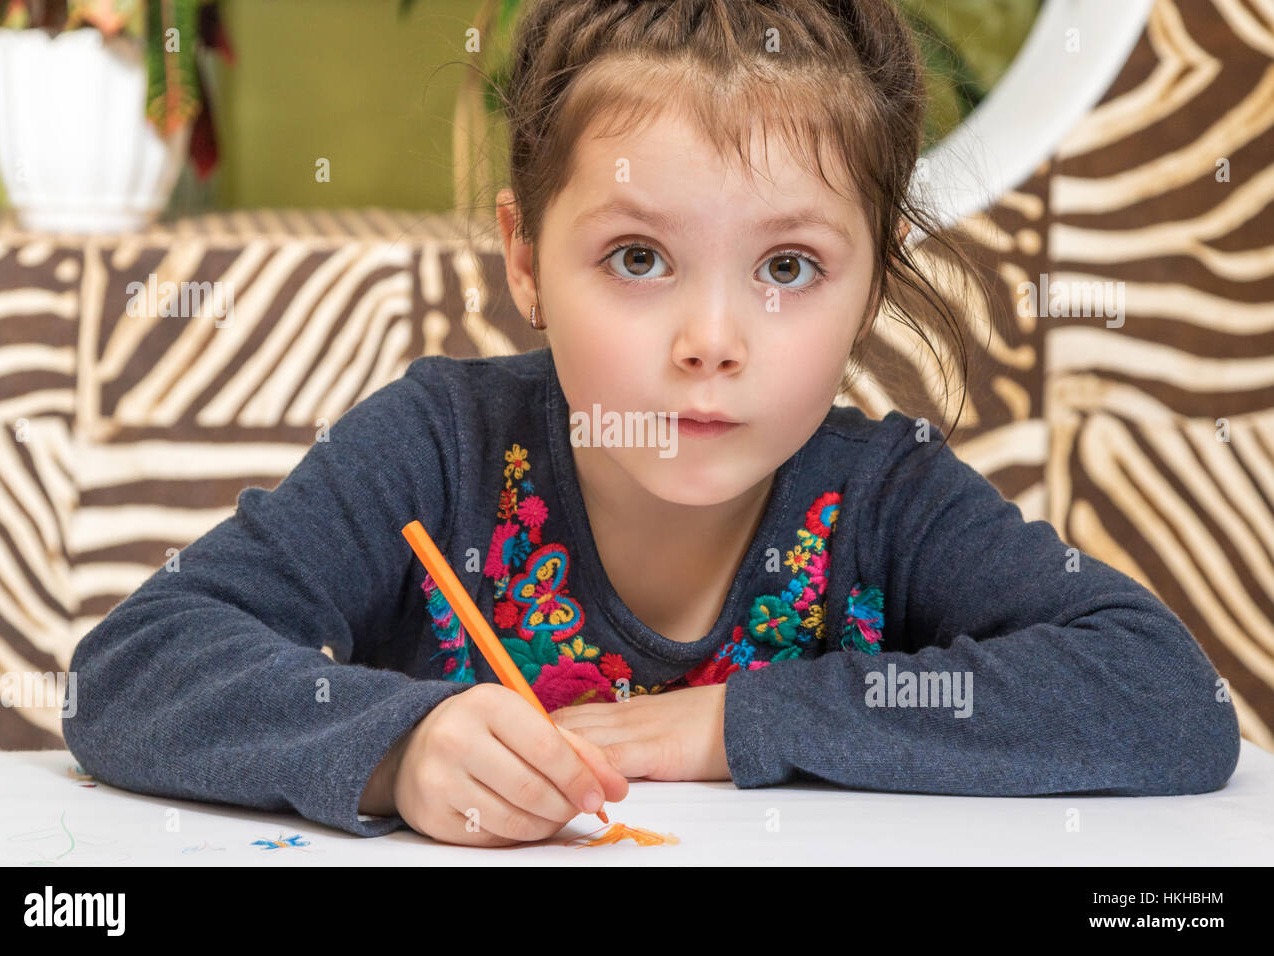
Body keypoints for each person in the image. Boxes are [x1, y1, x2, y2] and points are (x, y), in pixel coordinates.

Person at [63, 0, 1240, 848]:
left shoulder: (886, 494)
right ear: (524, 255)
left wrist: (731, 723)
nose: (711, 338)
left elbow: (1162, 698)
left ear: (872, 282)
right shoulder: (437, 446)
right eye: (637, 257)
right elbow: (132, 667)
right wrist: (400, 745)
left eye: (787, 263)